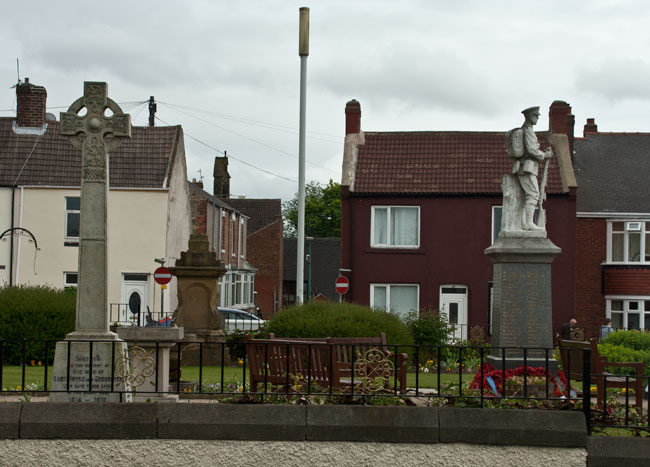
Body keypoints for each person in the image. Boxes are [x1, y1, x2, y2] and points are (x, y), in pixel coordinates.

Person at [513, 107, 553, 230]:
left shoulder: (527, 130)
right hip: (527, 167)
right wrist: (544, 155)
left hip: (526, 166)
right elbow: (532, 150)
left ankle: (526, 222)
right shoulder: (528, 131)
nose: (538, 118)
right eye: (536, 116)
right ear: (531, 117)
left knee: (529, 195)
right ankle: (528, 223)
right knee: (533, 194)